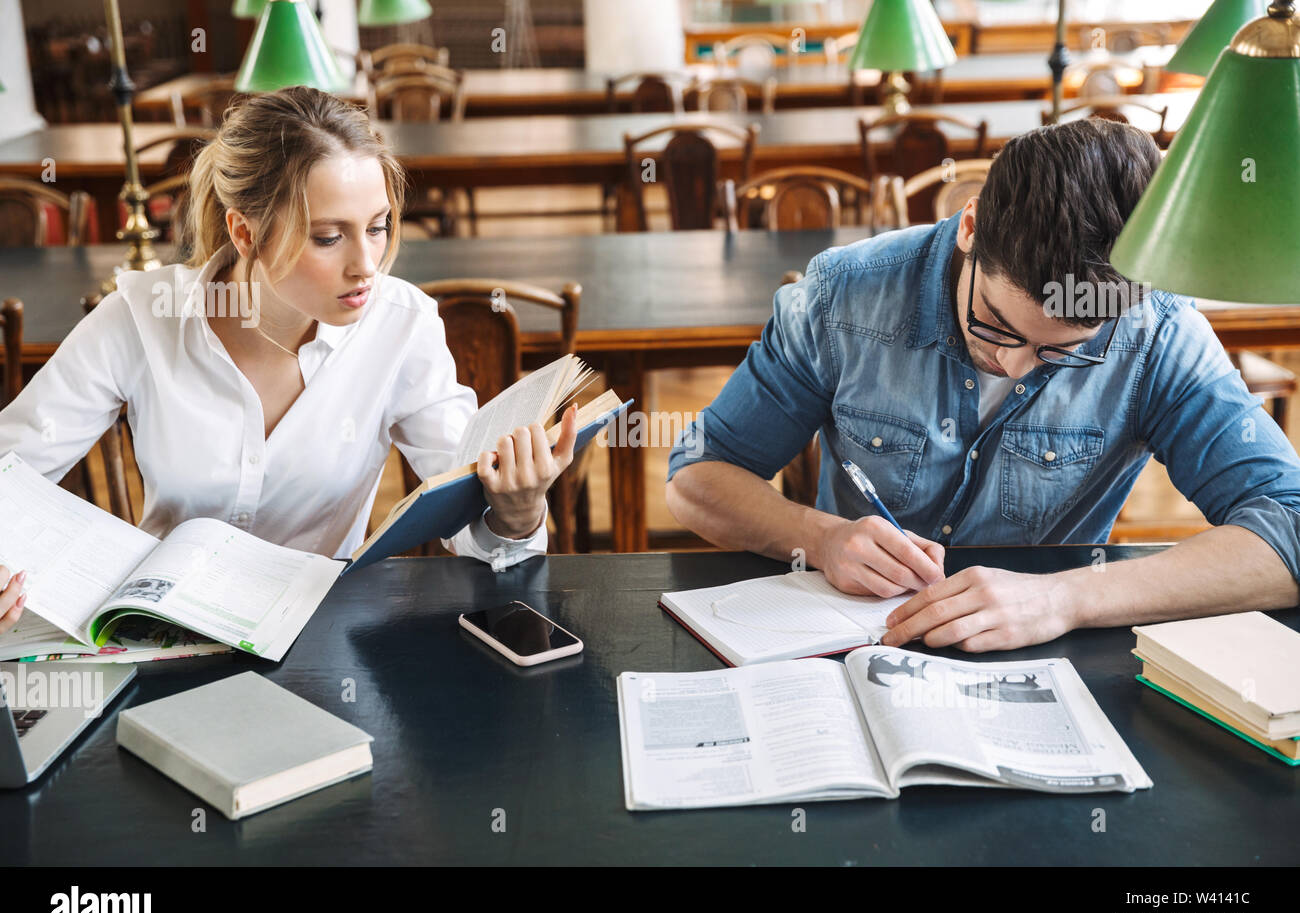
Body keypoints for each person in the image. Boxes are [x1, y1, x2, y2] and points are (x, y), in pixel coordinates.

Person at [666, 118, 1300, 653]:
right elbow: (696, 479)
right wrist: (822, 538)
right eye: (996, 325)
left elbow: (1289, 527)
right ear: (970, 226)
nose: (1018, 367)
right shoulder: (843, 297)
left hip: (1049, 655)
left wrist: (1066, 597)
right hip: (853, 643)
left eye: (1064, 351)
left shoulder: (1157, 330)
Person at [0, 86, 578, 635]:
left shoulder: (402, 325)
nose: (366, 265)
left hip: (321, 638)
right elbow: (10, 471)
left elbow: (474, 526)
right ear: (244, 233)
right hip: (160, 631)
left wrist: (517, 512)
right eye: (328, 238)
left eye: (377, 228)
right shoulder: (142, 316)